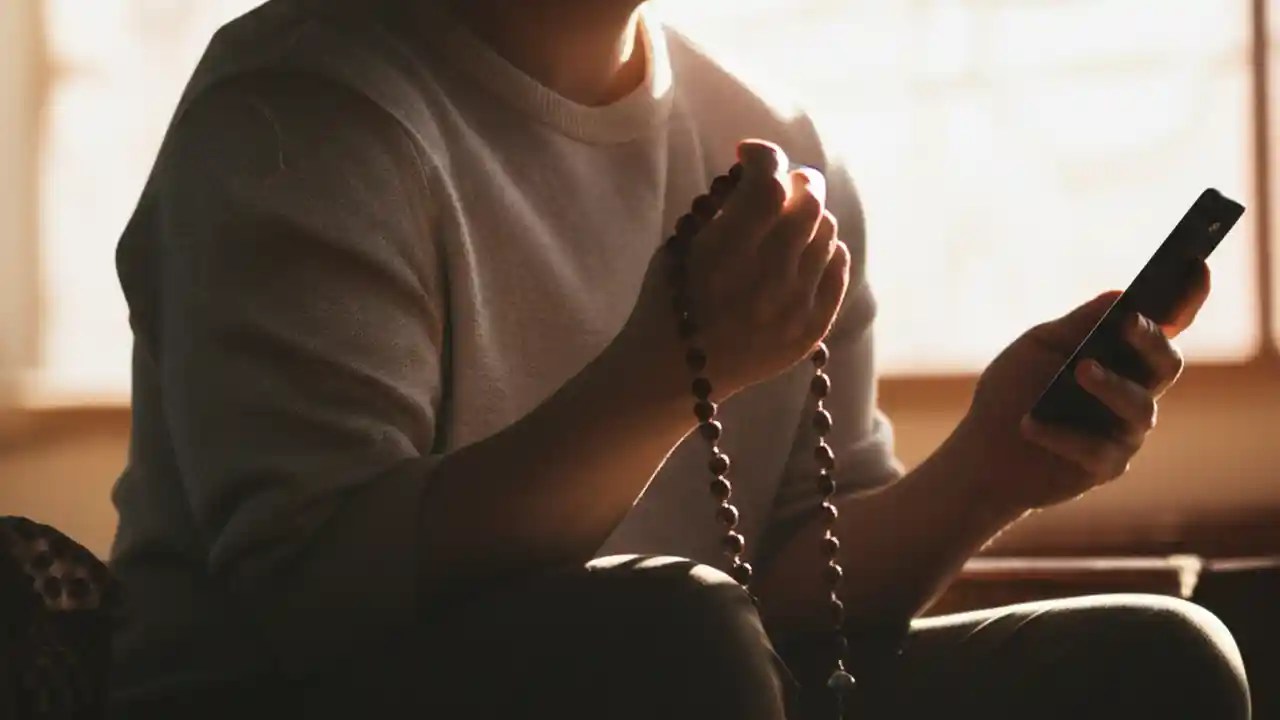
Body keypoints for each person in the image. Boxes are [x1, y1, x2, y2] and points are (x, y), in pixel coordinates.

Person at [106, 0, 1251, 718]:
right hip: (318, 695)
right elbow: (316, 603)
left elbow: (802, 600)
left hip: (698, 678)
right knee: (676, 642)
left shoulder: (769, 144)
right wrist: (663, 369)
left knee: (1162, 663)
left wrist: (990, 470)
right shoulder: (306, 114)